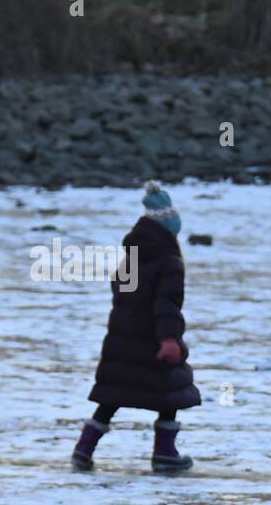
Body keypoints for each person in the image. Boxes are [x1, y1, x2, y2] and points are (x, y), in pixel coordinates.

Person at [71, 182, 200, 472]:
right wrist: (169, 339)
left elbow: (121, 292)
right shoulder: (169, 262)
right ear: (169, 229)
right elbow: (167, 304)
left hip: (122, 337)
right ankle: (165, 453)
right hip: (154, 339)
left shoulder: (132, 256)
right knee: (170, 393)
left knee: (113, 394)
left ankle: (84, 448)